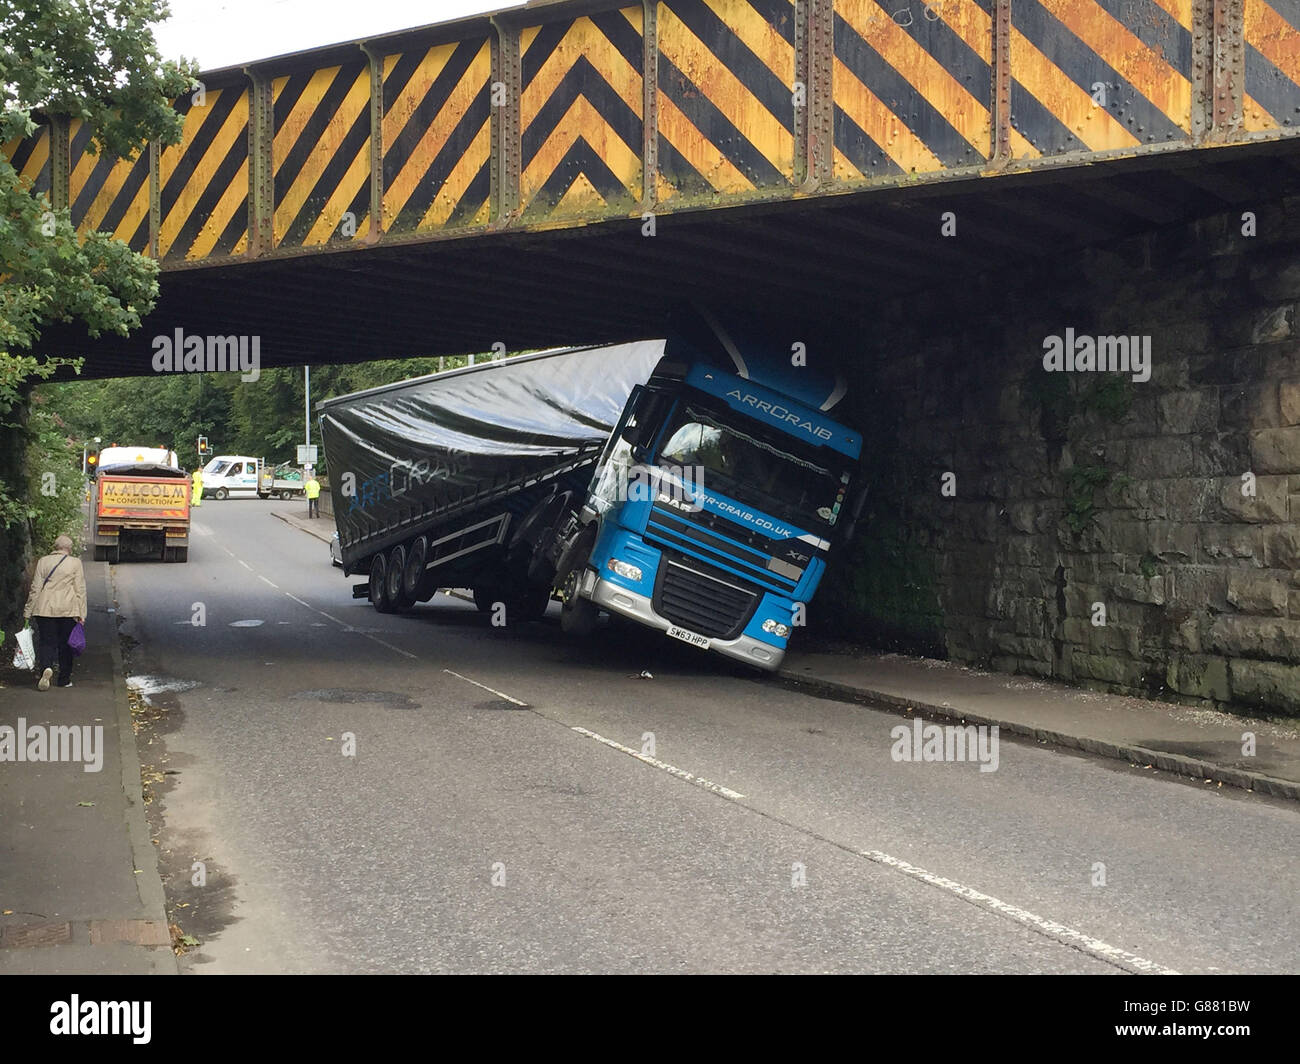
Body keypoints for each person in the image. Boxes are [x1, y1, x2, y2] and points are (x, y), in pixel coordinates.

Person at [23, 534, 87, 691]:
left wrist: (27, 611)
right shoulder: (75, 563)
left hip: (44, 609)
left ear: (55, 547)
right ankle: (64, 679)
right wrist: (82, 613)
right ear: (69, 548)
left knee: (46, 642)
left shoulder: (43, 561)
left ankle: (46, 667)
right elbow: (80, 589)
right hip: (67, 609)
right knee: (66, 644)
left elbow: (35, 588)